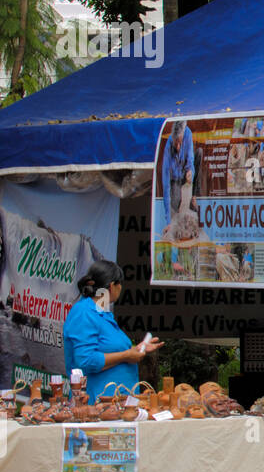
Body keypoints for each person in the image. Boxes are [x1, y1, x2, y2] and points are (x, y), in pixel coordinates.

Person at [63, 260, 164, 401]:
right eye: (120, 284)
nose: (121, 288)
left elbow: (111, 349)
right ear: (112, 286)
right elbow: (86, 361)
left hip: (119, 400)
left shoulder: (102, 313)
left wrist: (137, 349)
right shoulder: (84, 312)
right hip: (96, 403)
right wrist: (126, 355)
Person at [160, 120, 195, 234]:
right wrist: (168, 220)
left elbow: (190, 155)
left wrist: (190, 170)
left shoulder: (188, 133)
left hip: (185, 173)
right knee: (174, 202)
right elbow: (166, 185)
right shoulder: (168, 148)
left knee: (199, 154)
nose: (179, 147)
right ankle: (172, 226)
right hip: (175, 179)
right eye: (176, 143)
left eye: (180, 142)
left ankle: (192, 197)